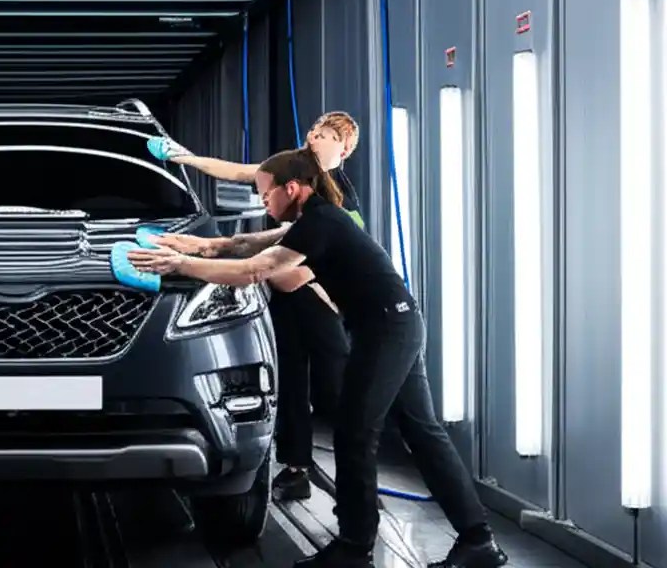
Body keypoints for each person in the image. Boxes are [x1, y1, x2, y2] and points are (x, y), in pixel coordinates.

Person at [127, 147, 508, 568]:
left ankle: (355, 547)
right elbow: (244, 243)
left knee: (355, 433)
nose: (264, 204)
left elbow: (253, 270)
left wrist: (178, 264)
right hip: (394, 322)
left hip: (385, 329)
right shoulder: (315, 218)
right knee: (421, 432)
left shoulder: (320, 223)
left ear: (292, 188)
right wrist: (193, 246)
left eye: (266, 195)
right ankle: (479, 542)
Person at [152, 111, 362, 500]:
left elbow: (288, 258)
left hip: (319, 301)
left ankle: (360, 471)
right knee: (291, 382)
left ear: (345, 147)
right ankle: (296, 467)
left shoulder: (338, 197)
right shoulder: (292, 170)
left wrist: (200, 257)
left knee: (337, 386)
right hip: (285, 298)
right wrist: (187, 158)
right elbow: (238, 172)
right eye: (314, 130)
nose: (315, 137)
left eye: (327, 134)